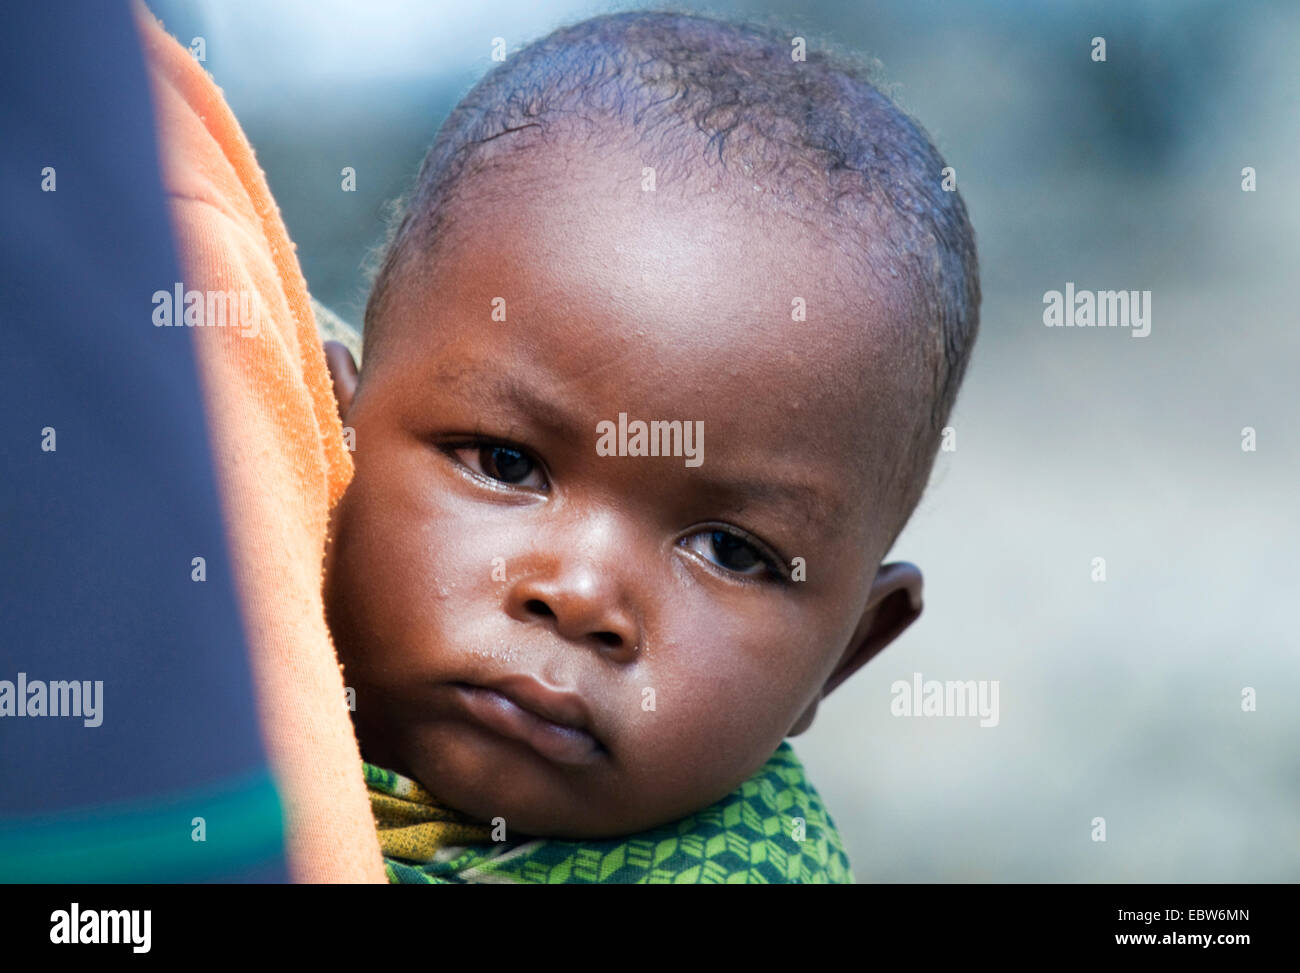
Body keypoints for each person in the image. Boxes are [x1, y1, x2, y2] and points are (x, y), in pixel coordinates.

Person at [321, 10, 981, 882]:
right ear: (324, 433)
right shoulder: (169, 662)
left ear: (849, 652)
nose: (584, 595)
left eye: (729, 551)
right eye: (506, 462)